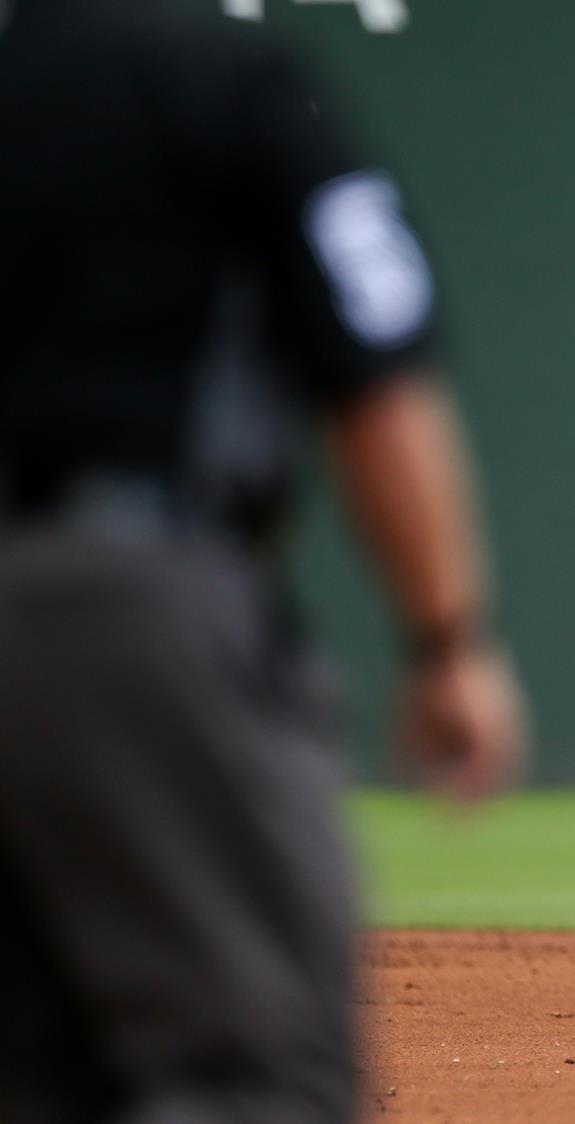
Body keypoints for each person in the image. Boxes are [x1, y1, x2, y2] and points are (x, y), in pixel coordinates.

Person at [0, 1, 527, 1118]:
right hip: (122, 603)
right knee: (253, 1074)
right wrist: (447, 639)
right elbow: (375, 365)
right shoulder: (218, 72)